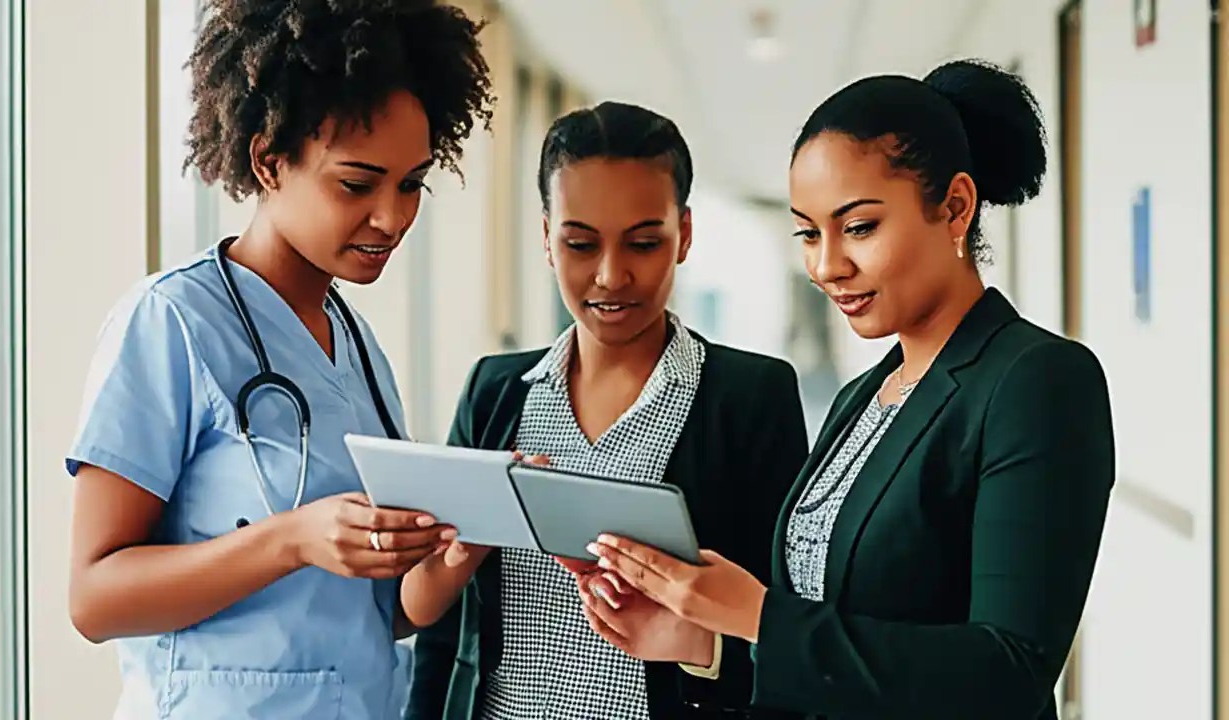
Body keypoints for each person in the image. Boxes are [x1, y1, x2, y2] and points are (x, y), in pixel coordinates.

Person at [579, 59, 1116, 720]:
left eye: (859, 227)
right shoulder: (861, 396)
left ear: (954, 208)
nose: (827, 266)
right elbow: (830, 637)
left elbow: (1007, 673)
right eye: (808, 233)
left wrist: (760, 616)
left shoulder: (1036, 380)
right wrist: (706, 640)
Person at [63, 2, 493, 718]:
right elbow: (94, 599)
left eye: (411, 183)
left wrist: (460, 546)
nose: (391, 217)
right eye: (357, 184)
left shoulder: (358, 350)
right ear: (268, 161)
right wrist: (291, 540)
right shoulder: (173, 322)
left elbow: (372, 617)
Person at [401, 101, 810, 719]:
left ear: (685, 235)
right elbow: (444, 631)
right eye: (580, 244)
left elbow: (778, 630)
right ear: (546, 238)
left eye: (644, 243)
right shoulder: (496, 390)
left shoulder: (750, 398)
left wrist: (697, 641)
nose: (611, 276)